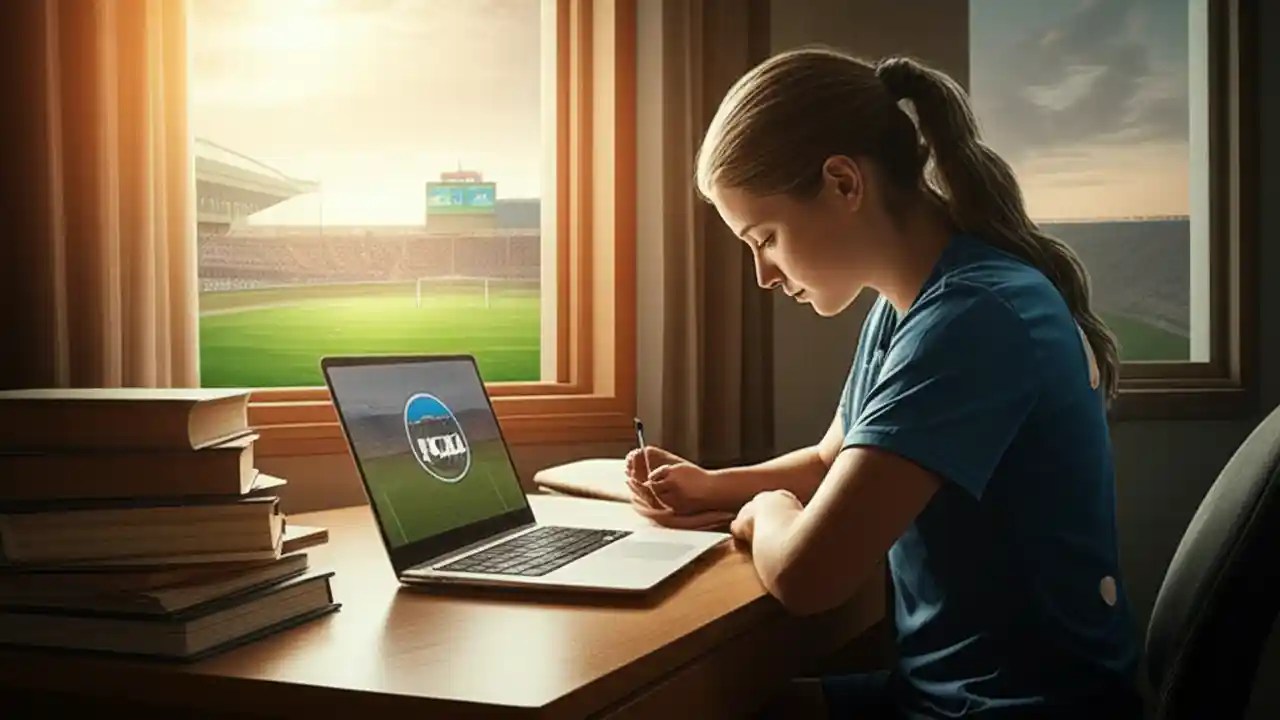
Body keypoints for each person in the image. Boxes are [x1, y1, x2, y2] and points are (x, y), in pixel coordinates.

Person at [625, 47, 1142, 719]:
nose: (764, 274)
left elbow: (810, 575)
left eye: (767, 237)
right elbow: (831, 461)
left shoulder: (972, 320)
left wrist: (765, 511)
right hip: (943, 698)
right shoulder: (909, 307)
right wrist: (710, 485)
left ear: (844, 184)